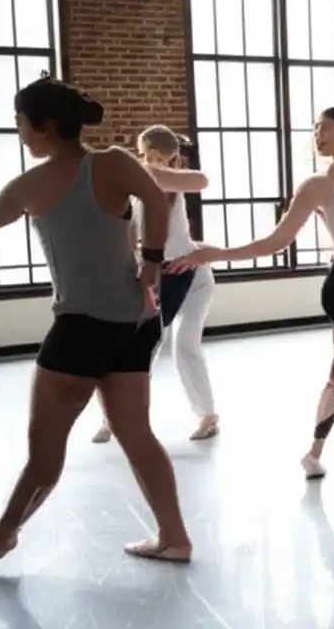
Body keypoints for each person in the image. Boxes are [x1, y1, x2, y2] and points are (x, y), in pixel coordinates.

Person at [0, 76, 191, 580]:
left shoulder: (29, 185)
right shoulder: (114, 162)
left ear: (44, 125)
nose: (19, 132)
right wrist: (150, 259)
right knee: (136, 434)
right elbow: (155, 196)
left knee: (44, 456)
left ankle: (0, 538)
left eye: (21, 123)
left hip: (82, 328)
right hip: (135, 321)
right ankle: (174, 538)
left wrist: (150, 258)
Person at [170, 106, 334, 499]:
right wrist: (214, 254)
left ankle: (314, 453)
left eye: (324, 128)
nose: (317, 135)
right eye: (315, 129)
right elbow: (276, 242)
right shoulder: (316, 185)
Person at [92, 126, 219, 443]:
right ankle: (114, 416)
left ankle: (208, 416)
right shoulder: (135, 190)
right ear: (140, 149)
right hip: (163, 273)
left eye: (161, 158)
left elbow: (201, 181)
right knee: (142, 345)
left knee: (184, 346)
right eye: (148, 155)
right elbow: (132, 234)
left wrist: (151, 170)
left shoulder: (170, 180)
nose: (153, 162)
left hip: (193, 274)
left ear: (172, 157)